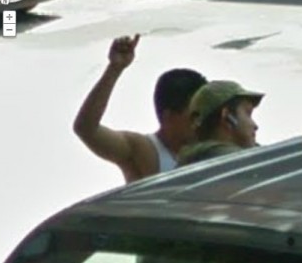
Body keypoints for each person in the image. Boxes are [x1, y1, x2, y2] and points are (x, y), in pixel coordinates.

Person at [73, 34, 207, 183]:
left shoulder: (213, 146)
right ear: (169, 116)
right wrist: (114, 69)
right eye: (194, 115)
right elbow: (86, 129)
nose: (201, 122)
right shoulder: (142, 150)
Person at [177, 80, 265, 166]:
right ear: (227, 117)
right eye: (248, 113)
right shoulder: (234, 162)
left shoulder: (194, 161)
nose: (255, 126)